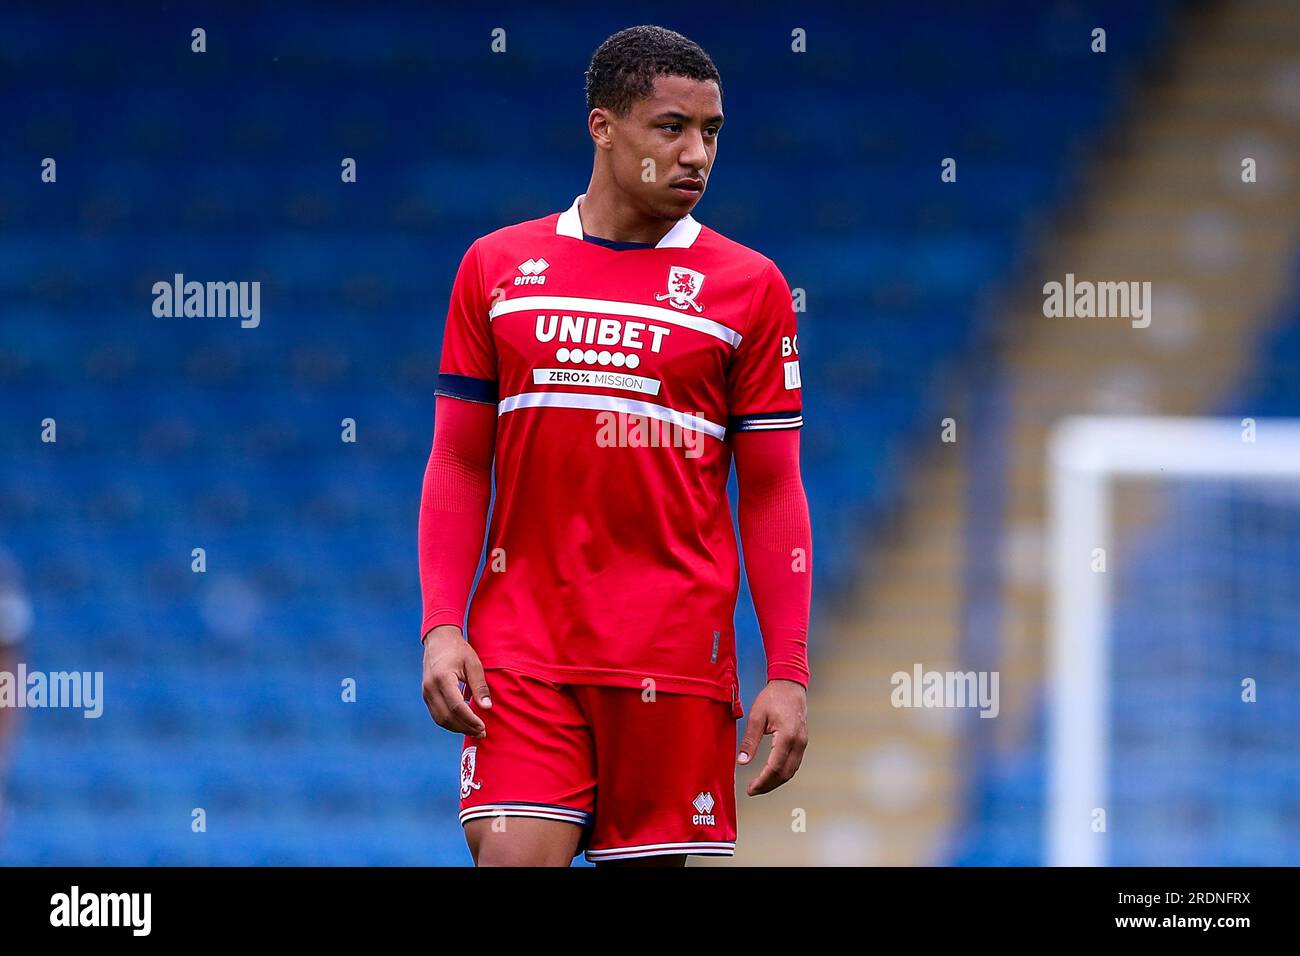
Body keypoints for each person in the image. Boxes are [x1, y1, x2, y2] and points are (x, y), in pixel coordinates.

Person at [418, 24, 812, 866]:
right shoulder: (496, 268)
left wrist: (788, 669)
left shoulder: (751, 287)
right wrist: (441, 626)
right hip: (524, 651)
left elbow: (774, 489)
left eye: (711, 133)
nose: (697, 154)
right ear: (604, 128)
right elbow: (458, 459)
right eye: (671, 128)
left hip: (675, 659)